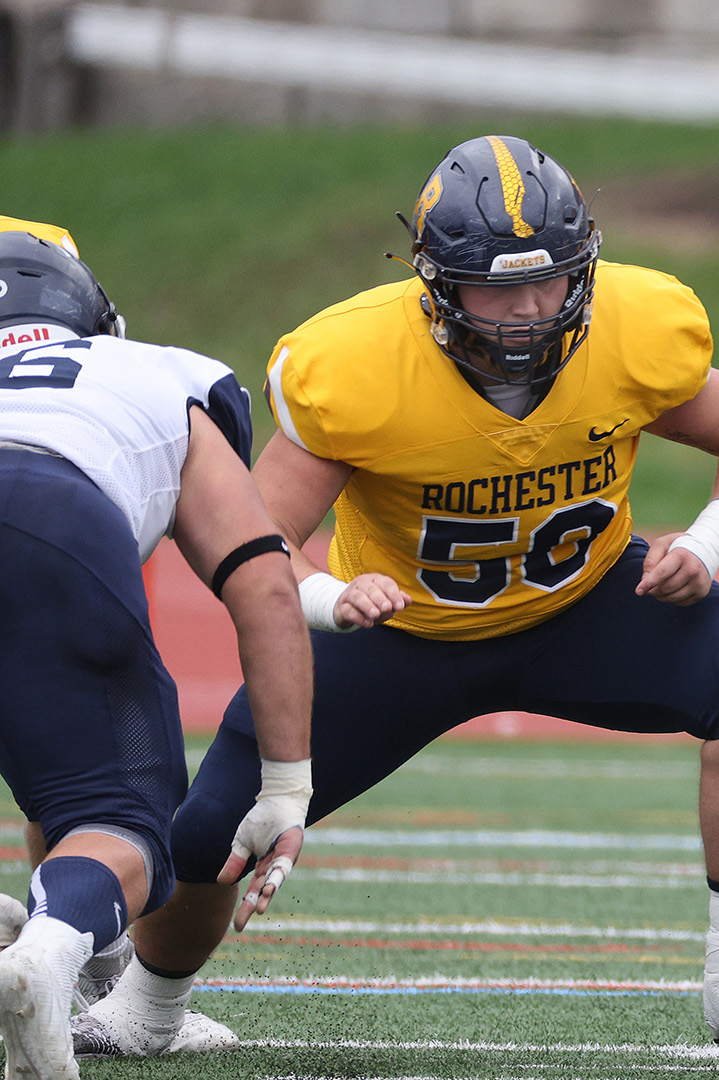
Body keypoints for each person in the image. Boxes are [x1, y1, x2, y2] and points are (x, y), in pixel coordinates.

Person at [72, 135, 719, 1055]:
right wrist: (332, 600)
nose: (524, 310)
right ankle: (149, 1012)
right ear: (434, 281)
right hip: (399, 631)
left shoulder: (636, 327)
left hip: (581, 603)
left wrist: (709, 542)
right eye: (493, 287)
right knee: (209, 833)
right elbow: (255, 541)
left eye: (547, 282)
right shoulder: (360, 362)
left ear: (584, 270)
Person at [0, 232, 313, 1079]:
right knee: (125, 815)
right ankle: (51, 947)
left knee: (63, 770)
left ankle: (80, 956)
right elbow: (265, 586)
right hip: (44, 511)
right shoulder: (160, 374)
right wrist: (286, 786)